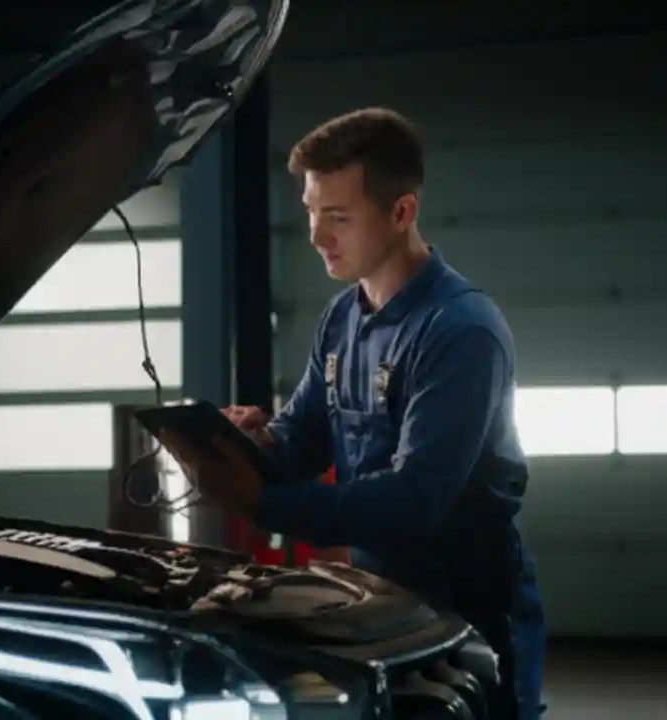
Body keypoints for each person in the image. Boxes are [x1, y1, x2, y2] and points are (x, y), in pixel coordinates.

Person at [160, 107, 545, 720]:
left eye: (337, 216)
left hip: (469, 620)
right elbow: (307, 436)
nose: (315, 235)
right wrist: (250, 446)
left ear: (402, 212)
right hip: (379, 606)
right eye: (312, 211)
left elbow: (417, 500)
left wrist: (260, 502)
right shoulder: (342, 318)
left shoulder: (461, 332)